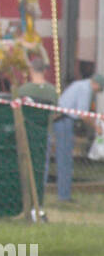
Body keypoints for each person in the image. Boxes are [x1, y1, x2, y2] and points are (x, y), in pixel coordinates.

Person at [46, 71, 104, 202]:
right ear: (97, 85)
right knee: (65, 159)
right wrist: (96, 127)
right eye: (99, 90)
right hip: (65, 121)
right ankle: (64, 195)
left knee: (61, 158)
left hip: (60, 119)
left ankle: (62, 193)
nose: (97, 93)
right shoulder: (86, 89)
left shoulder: (79, 84)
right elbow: (82, 114)